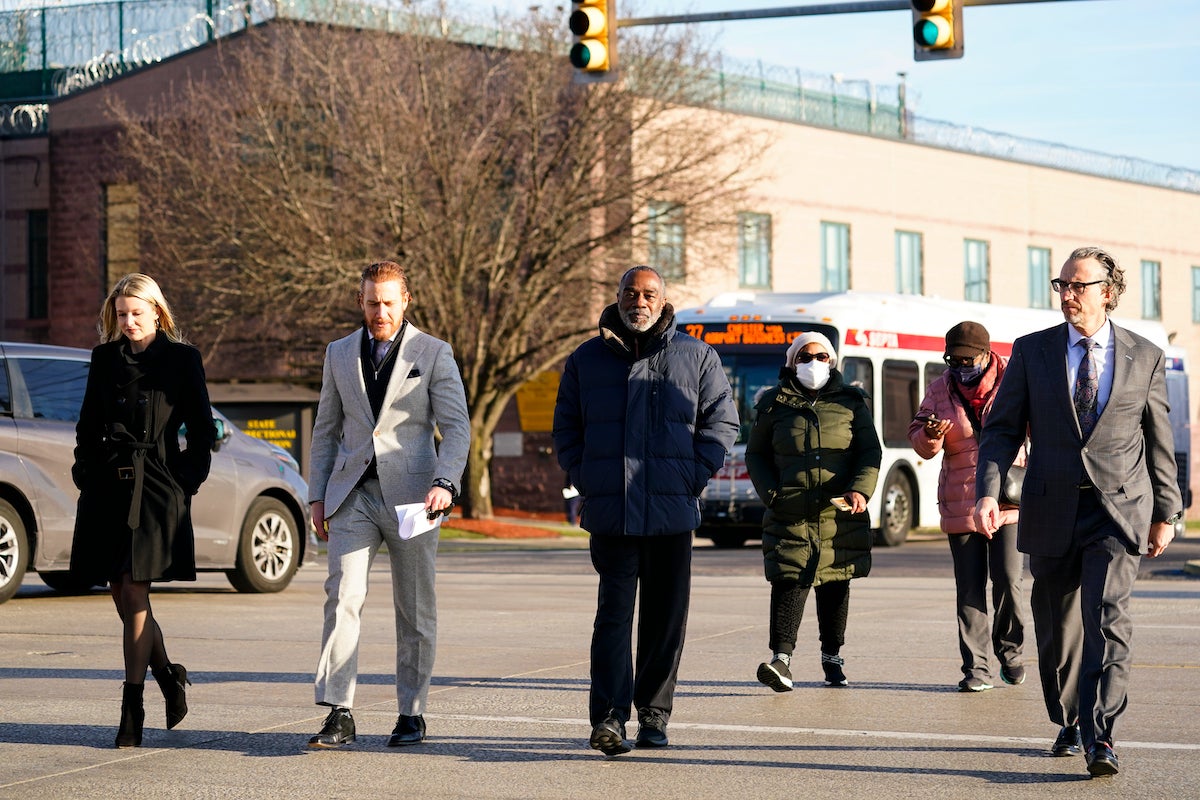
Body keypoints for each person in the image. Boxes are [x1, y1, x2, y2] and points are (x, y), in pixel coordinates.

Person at [974, 246, 1182, 778]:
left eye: (1078, 286)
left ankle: (1101, 734)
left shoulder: (1145, 355)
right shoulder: (1032, 351)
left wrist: (1168, 510)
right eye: (1061, 284)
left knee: (1107, 619)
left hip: (1119, 510)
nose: (1067, 295)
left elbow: (1159, 438)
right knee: (1056, 627)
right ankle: (1068, 717)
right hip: (1050, 507)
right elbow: (1000, 429)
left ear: (1107, 293)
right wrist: (989, 492)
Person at [553, 265, 738, 756]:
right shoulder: (586, 359)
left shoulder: (697, 356)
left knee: (664, 617)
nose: (640, 301)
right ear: (617, 298)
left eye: (649, 294)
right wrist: (584, 476)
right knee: (613, 616)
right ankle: (609, 718)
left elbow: (722, 423)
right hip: (611, 512)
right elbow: (566, 428)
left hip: (672, 513)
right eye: (631, 293)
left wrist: (692, 476)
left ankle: (654, 716)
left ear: (663, 301)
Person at [306, 261, 470, 749]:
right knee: (343, 597)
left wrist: (445, 482)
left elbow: (457, 427)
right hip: (352, 495)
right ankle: (339, 711)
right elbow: (325, 431)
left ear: (406, 301)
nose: (380, 311)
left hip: (416, 500)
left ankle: (411, 712)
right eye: (372, 302)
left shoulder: (434, 353)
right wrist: (317, 495)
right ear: (361, 301)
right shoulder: (338, 353)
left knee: (414, 609)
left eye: (389, 302)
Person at [70, 273, 217, 748]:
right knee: (119, 591)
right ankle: (169, 675)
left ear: (157, 312)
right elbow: (87, 423)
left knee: (134, 589)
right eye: (122, 315)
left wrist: (185, 482)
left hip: (156, 486)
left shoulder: (180, 358)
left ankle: (131, 707)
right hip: (107, 486)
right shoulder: (103, 358)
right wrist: (84, 472)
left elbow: (201, 428)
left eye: (138, 313)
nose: (129, 322)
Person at [746, 331, 881, 692]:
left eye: (821, 357)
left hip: (839, 513)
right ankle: (781, 660)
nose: (814, 364)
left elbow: (870, 452)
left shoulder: (852, 403)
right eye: (805, 357)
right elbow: (755, 454)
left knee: (837, 582)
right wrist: (773, 494)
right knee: (789, 580)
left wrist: (860, 489)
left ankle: (832, 657)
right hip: (789, 511)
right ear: (792, 363)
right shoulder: (772, 405)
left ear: (832, 361)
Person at [908, 322, 1028, 693]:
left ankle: (1010, 651)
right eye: (952, 359)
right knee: (969, 588)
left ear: (986, 353)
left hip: (1007, 498)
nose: (960, 366)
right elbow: (918, 438)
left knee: (1008, 580)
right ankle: (976, 668)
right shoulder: (939, 388)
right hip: (961, 498)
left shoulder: (1013, 378)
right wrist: (930, 435)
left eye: (967, 359)